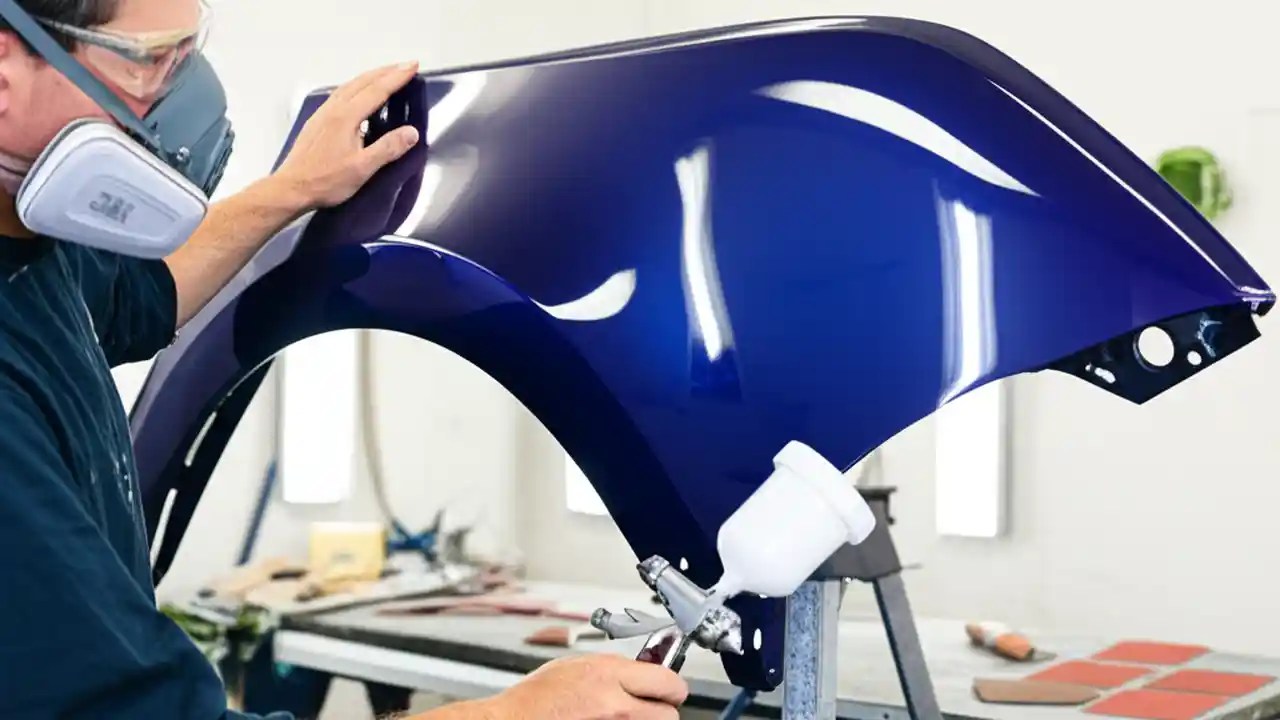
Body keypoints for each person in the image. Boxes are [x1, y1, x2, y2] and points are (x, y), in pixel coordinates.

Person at [0, 1, 689, 718]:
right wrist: (512, 714)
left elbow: (137, 298)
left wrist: (294, 189)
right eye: (149, 61)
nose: (178, 98)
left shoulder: (32, 249)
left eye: (188, 50)